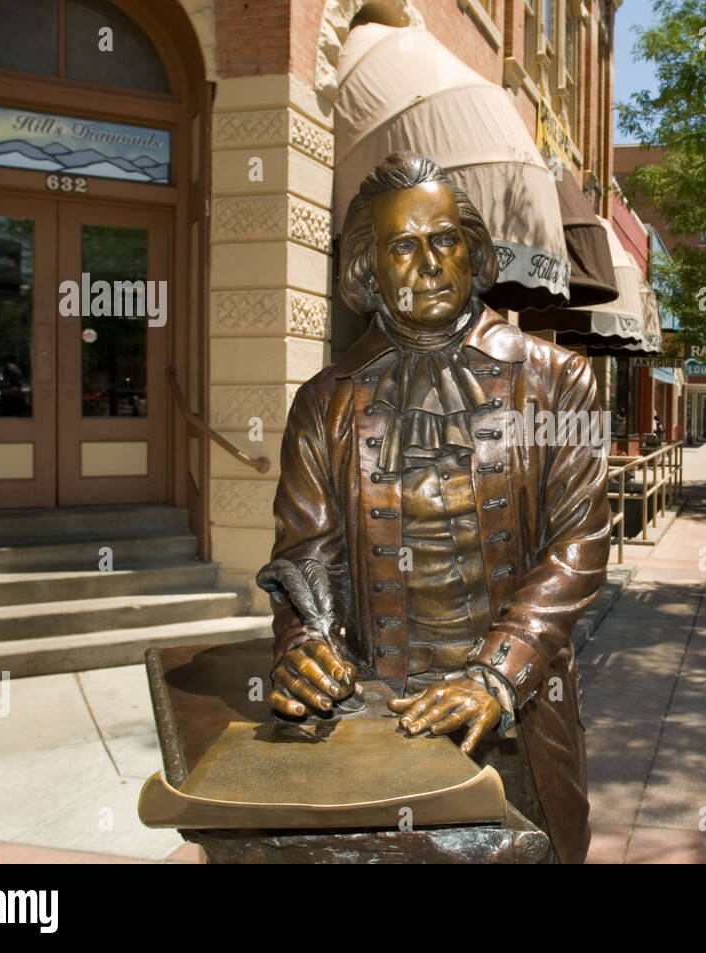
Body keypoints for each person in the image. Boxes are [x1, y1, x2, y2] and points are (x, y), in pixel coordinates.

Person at [259, 152, 609, 863]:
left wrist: (495, 674)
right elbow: (303, 557)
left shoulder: (558, 380)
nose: (429, 263)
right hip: (375, 723)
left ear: (474, 252)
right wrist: (302, 644)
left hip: (517, 711)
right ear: (369, 270)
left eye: (445, 240)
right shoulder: (324, 402)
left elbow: (579, 544)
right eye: (403, 246)